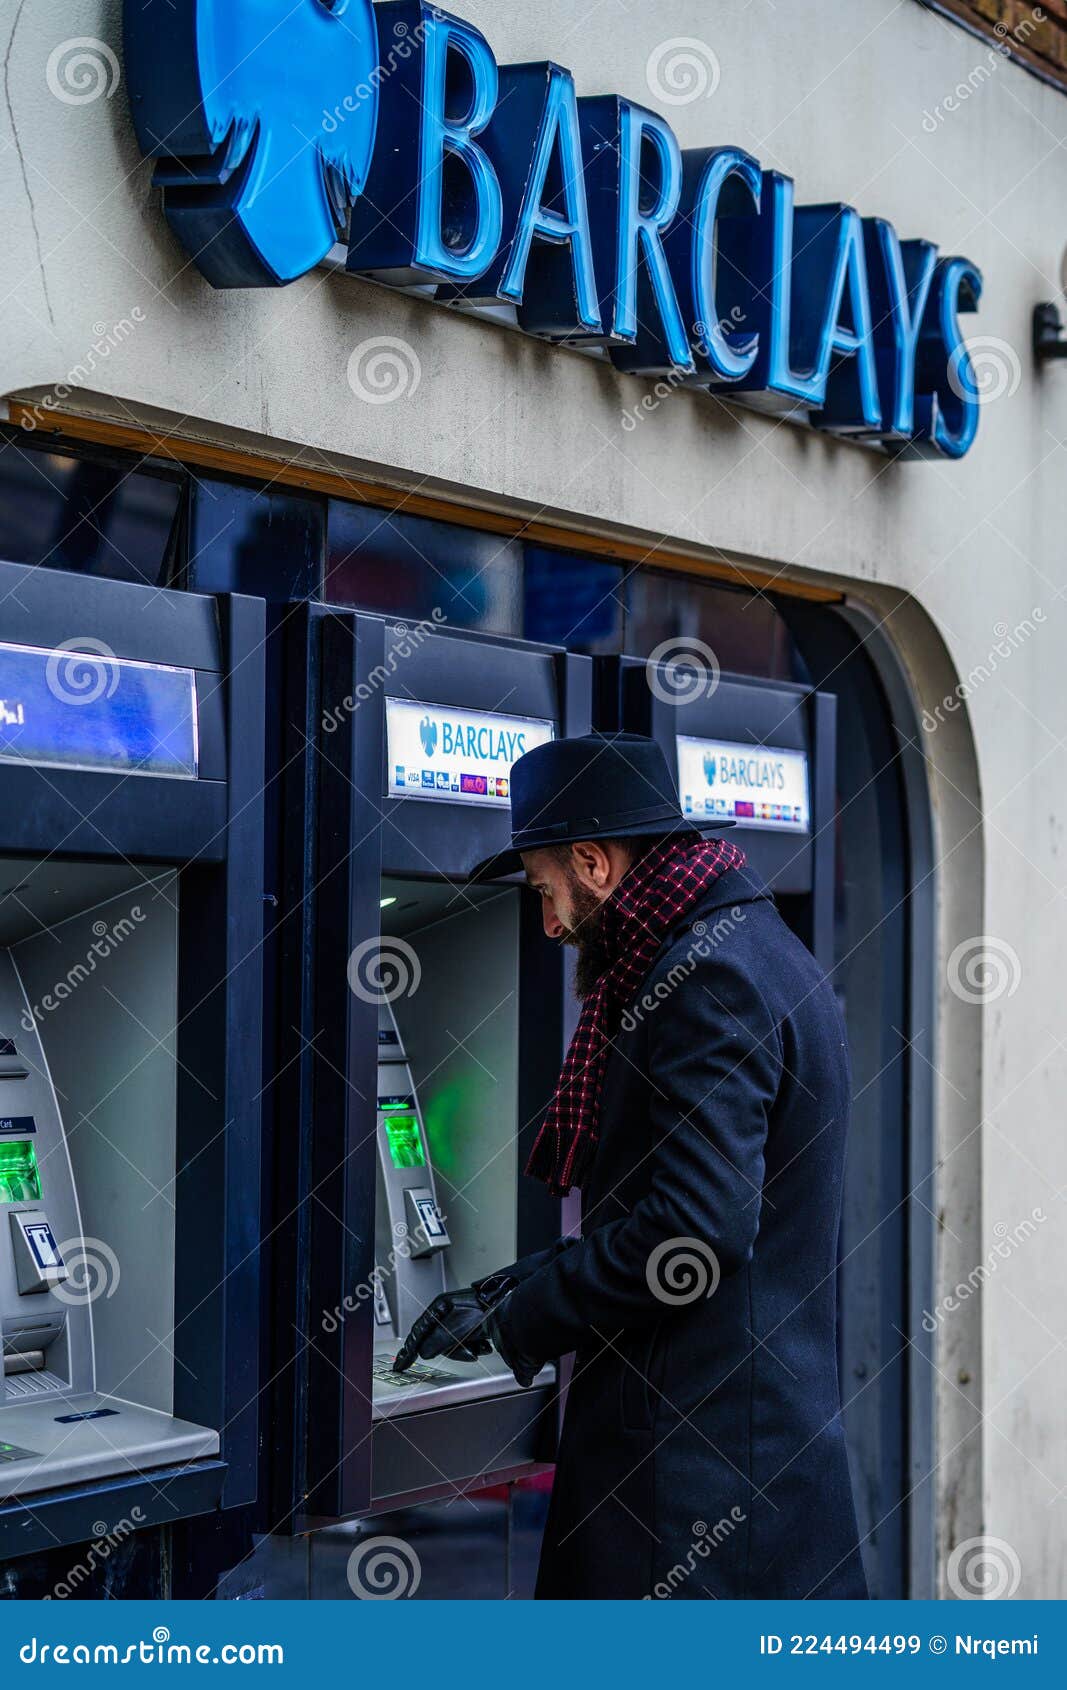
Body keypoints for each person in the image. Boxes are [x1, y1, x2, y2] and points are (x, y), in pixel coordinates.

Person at [394, 732, 868, 1600]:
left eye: (545, 890)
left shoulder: (703, 978)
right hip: (750, 1459)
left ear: (592, 861)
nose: (546, 923)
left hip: (690, 1485)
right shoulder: (760, 947)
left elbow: (693, 1231)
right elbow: (674, 1202)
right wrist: (506, 1289)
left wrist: (521, 1319)